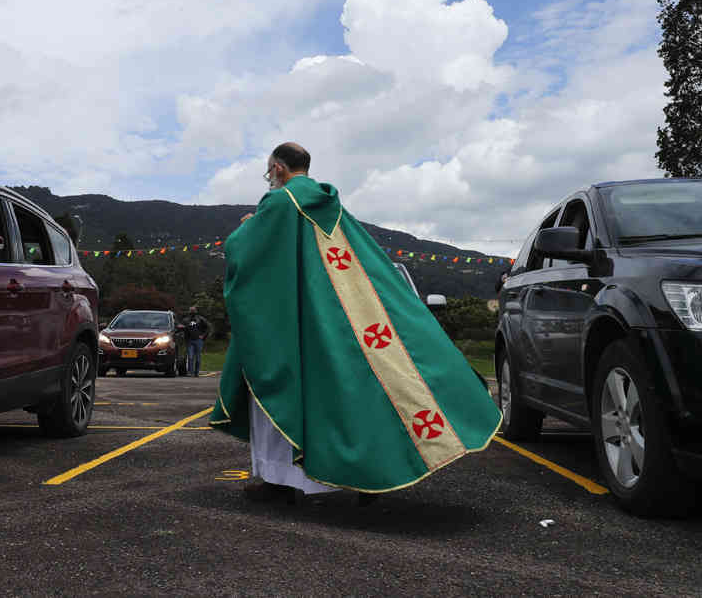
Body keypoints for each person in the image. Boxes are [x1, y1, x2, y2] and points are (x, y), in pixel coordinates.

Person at [210, 142, 501, 504]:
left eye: (270, 172)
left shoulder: (280, 202)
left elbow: (245, 254)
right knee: (359, 389)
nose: (269, 178)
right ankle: (368, 474)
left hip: (296, 324)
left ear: (279, 170)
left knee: (283, 389)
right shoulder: (330, 204)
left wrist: (247, 228)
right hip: (342, 319)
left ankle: (278, 480)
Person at [178, 305, 210, 377]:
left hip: (198, 341)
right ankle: (191, 372)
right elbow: (181, 327)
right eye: (191, 311)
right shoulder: (186, 320)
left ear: (196, 311)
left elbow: (208, 328)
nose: (192, 312)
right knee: (190, 357)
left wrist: (203, 336)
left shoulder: (201, 319)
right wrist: (180, 327)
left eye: (193, 310)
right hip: (189, 341)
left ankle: (196, 372)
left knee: (198, 358)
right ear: (189, 311)